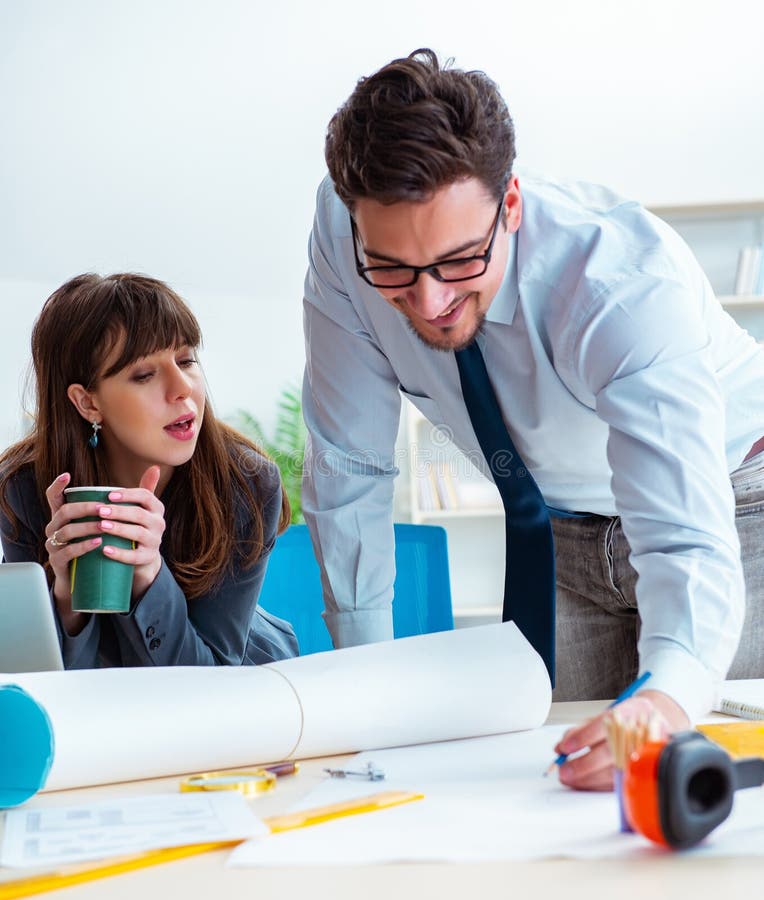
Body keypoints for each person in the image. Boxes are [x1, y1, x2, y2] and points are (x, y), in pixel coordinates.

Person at [300, 49, 764, 790]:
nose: (430, 302)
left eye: (459, 261)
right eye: (392, 269)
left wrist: (670, 695)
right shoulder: (341, 233)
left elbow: (683, 531)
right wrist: (366, 682)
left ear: (510, 204)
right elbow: (348, 463)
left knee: (700, 778)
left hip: (734, 508)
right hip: (562, 533)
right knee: (565, 777)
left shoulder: (618, 282)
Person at [0, 272, 298, 668]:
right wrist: (66, 597)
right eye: (144, 374)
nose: (182, 388)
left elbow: (211, 682)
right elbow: (40, 681)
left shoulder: (245, 483)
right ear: (88, 403)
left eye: (186, 360)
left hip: (244, 683)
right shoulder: (23, 489)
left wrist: (149, 576)